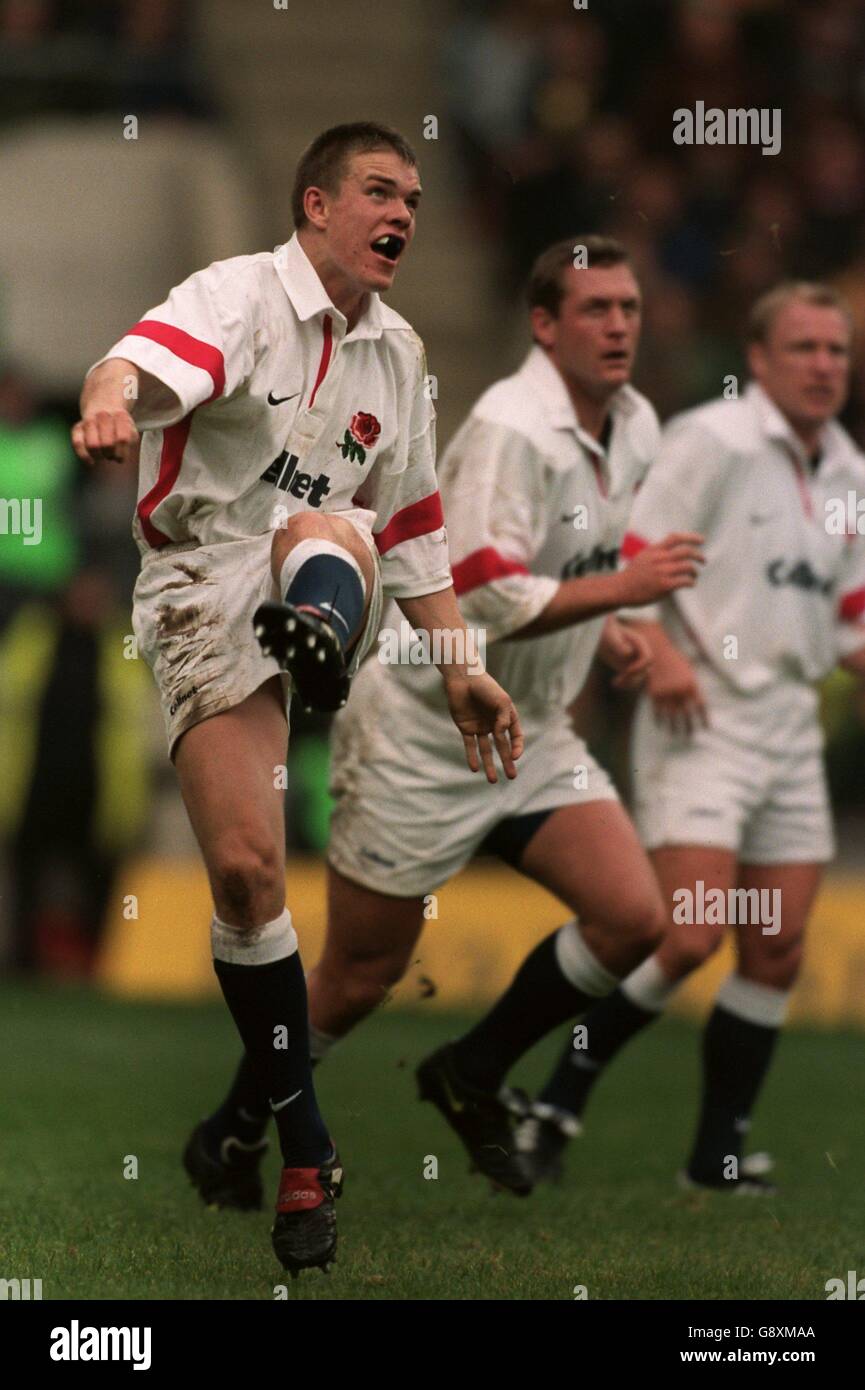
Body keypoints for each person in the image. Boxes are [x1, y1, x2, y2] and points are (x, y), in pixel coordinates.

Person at [71, 122, 523, 1275]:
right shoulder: (235, 295)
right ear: (314, 204)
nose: (404, 216)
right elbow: (127, 360)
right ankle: (297, 1145)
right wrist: (110, 405)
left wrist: (460, 661)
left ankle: (317, 630)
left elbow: (414, 521)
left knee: (329, 525)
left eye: (415, 198)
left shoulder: (401, 353)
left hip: (313, 562)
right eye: (380, 191)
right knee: (245, 877)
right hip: (191, 580)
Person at [200, 234, 704, 1197]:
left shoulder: (634, 421)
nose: (618, 327)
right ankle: (234, 1124)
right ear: (544, 325)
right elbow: (477, 589)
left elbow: (589, 566)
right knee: (357, 975)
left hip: (528, 727)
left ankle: (470, 1071)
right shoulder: (514, 425)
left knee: (633, 917)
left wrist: (620, 620)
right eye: (595, 310)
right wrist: (622, 594)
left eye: (629, 309)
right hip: (424, 728)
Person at [517, 281, 865, 1194]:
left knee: (778, 946)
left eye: (836, 350)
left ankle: (715, 1155)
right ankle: (554, 1098)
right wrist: (659, 650)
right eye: (804, 348)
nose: (824, 365)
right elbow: (624, 552)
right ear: (757, 359)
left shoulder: (848, 474)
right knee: (689, 936)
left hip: (789, 722)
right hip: (697, 708)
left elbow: (848, 613)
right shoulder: (711, 441)